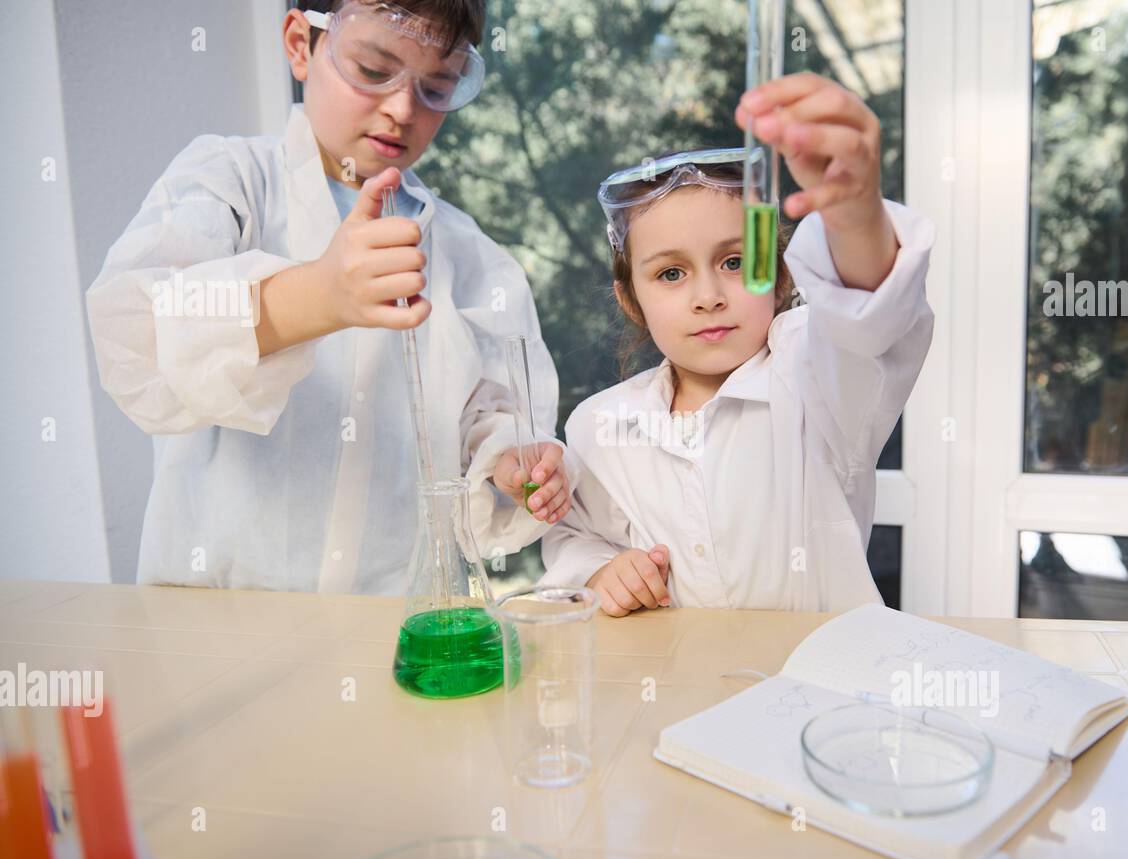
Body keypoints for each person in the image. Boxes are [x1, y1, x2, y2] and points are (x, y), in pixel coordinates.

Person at [85, 0, 573, 594]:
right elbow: (134, 335)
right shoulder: (230, 181)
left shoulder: (475, 260)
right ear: (300, 44)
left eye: (437, 86)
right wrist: (316, 296)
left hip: (393, 627)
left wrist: (511, 463)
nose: (401, 109)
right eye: (373, 70)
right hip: (216, 624)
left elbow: (492, 420)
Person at [540, 73, 934, 616]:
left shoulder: (811, 373)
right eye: (671, 274)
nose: (707, 296)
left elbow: (868, 316)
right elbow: (574, 536)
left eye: (734, 262)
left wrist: (855, 213)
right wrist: (601, 570)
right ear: (631, 299)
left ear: (780, 277)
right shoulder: (599, 425)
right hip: (677, 688)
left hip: (815, 686)